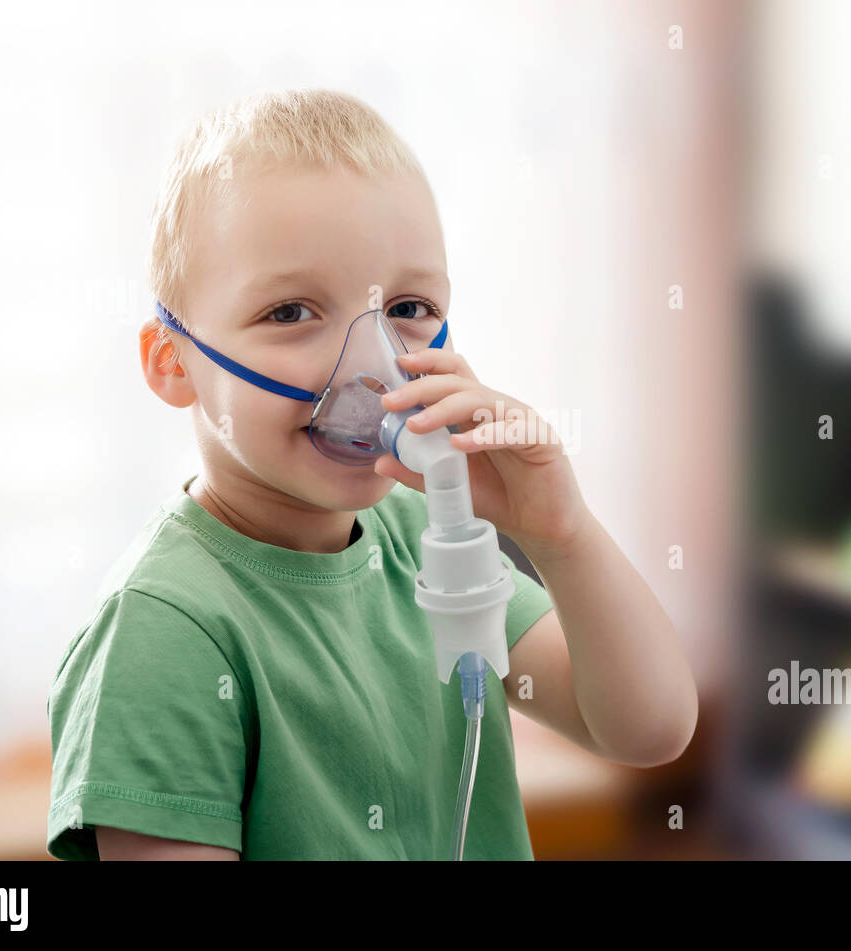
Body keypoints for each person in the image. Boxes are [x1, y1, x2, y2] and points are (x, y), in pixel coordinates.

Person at [46, 88, 697, 860]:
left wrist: (563, 533)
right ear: (173, 361)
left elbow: (648, 726)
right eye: (291, 311)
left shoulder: (427, 536)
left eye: (410, 307)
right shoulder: (164, 628)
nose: (370, 366)